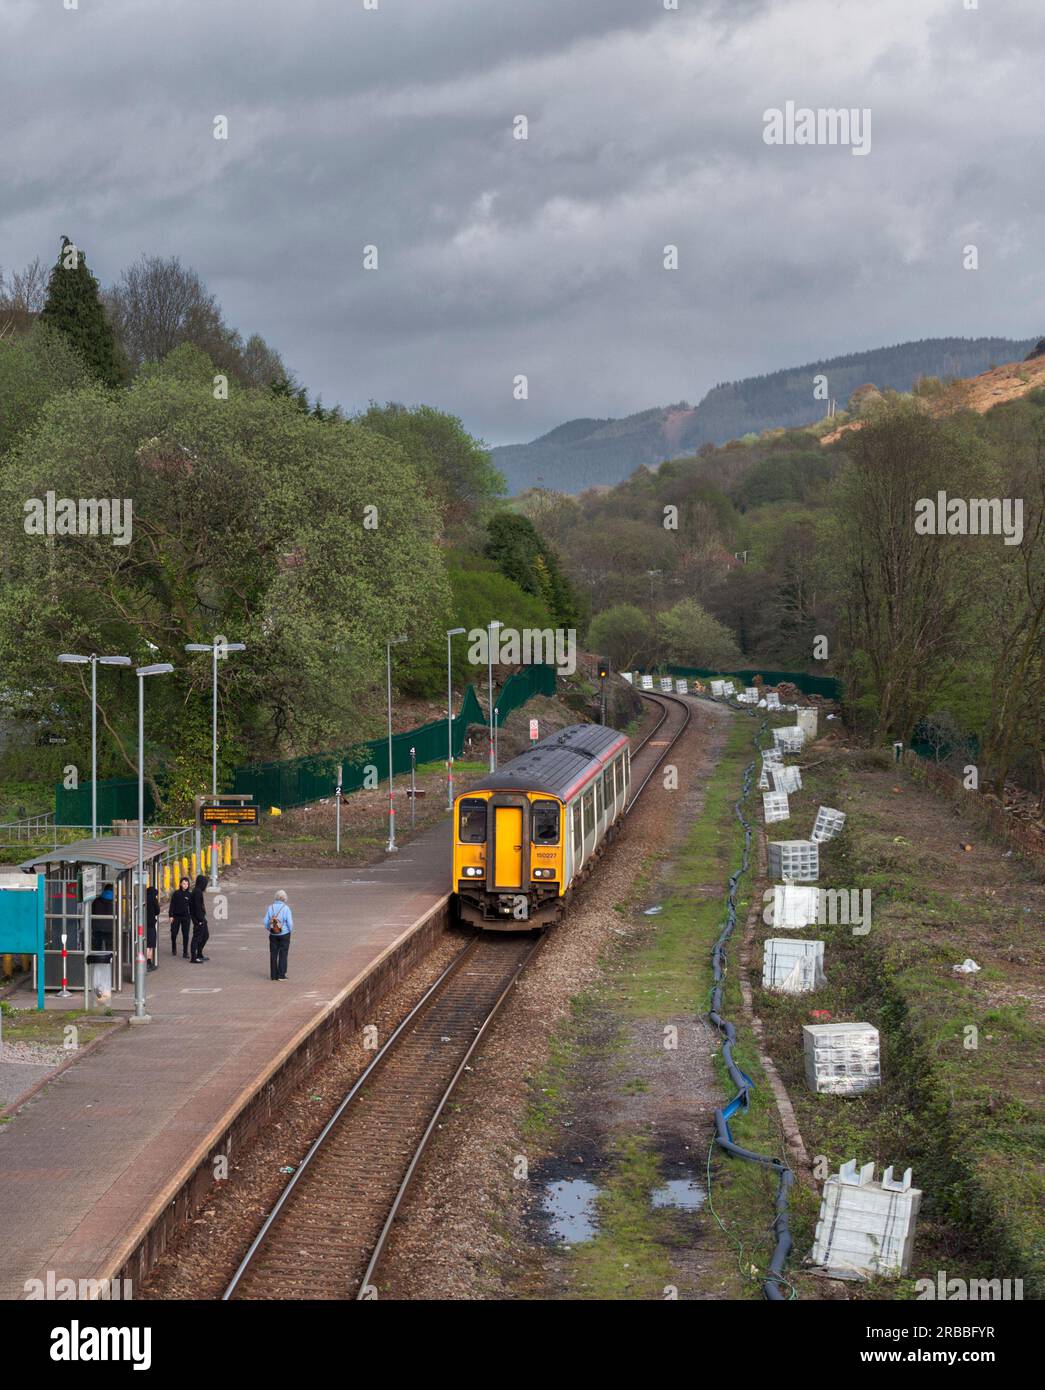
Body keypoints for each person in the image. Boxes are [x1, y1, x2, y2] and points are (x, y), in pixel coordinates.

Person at [264, 889, 293, 981]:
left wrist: (270, 928)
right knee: (283, 954)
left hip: (273, 934)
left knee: (273, 954)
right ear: (284, 898)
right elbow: (290, 923)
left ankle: (273, 975)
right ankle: (281, 975)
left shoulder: (270, 907)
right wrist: (289, 930)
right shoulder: (286, 908)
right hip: (284, 933)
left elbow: (265, 922)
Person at [189, 873, 210, 962]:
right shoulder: (197, 892)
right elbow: (197, 907)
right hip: (199, 920)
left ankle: (199, 954)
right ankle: (194, 957)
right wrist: (200, 920)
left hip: (201, 918)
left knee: (205, 936)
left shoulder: (197, 891)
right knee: (197, 938)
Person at [169, 877, 192, 957]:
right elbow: (172, 905)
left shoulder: (189, 894)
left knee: (186, 935)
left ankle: (185, 952)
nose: (185, 885)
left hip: (186, 917)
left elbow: (192, 906)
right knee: (174, 934)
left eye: (187, 884)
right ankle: (174, 948)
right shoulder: (176, 893)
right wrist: (170, 915)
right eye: (184, 884)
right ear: (180, 884)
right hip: (176, 917)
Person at [145, 882, 159, 971]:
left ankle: (146, 962)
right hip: (150, 924)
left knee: (146, 944)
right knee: (150, 944)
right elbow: (157, 911)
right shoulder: (153, 899)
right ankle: (148, 962)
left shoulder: (144, 898)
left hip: (142, 923)